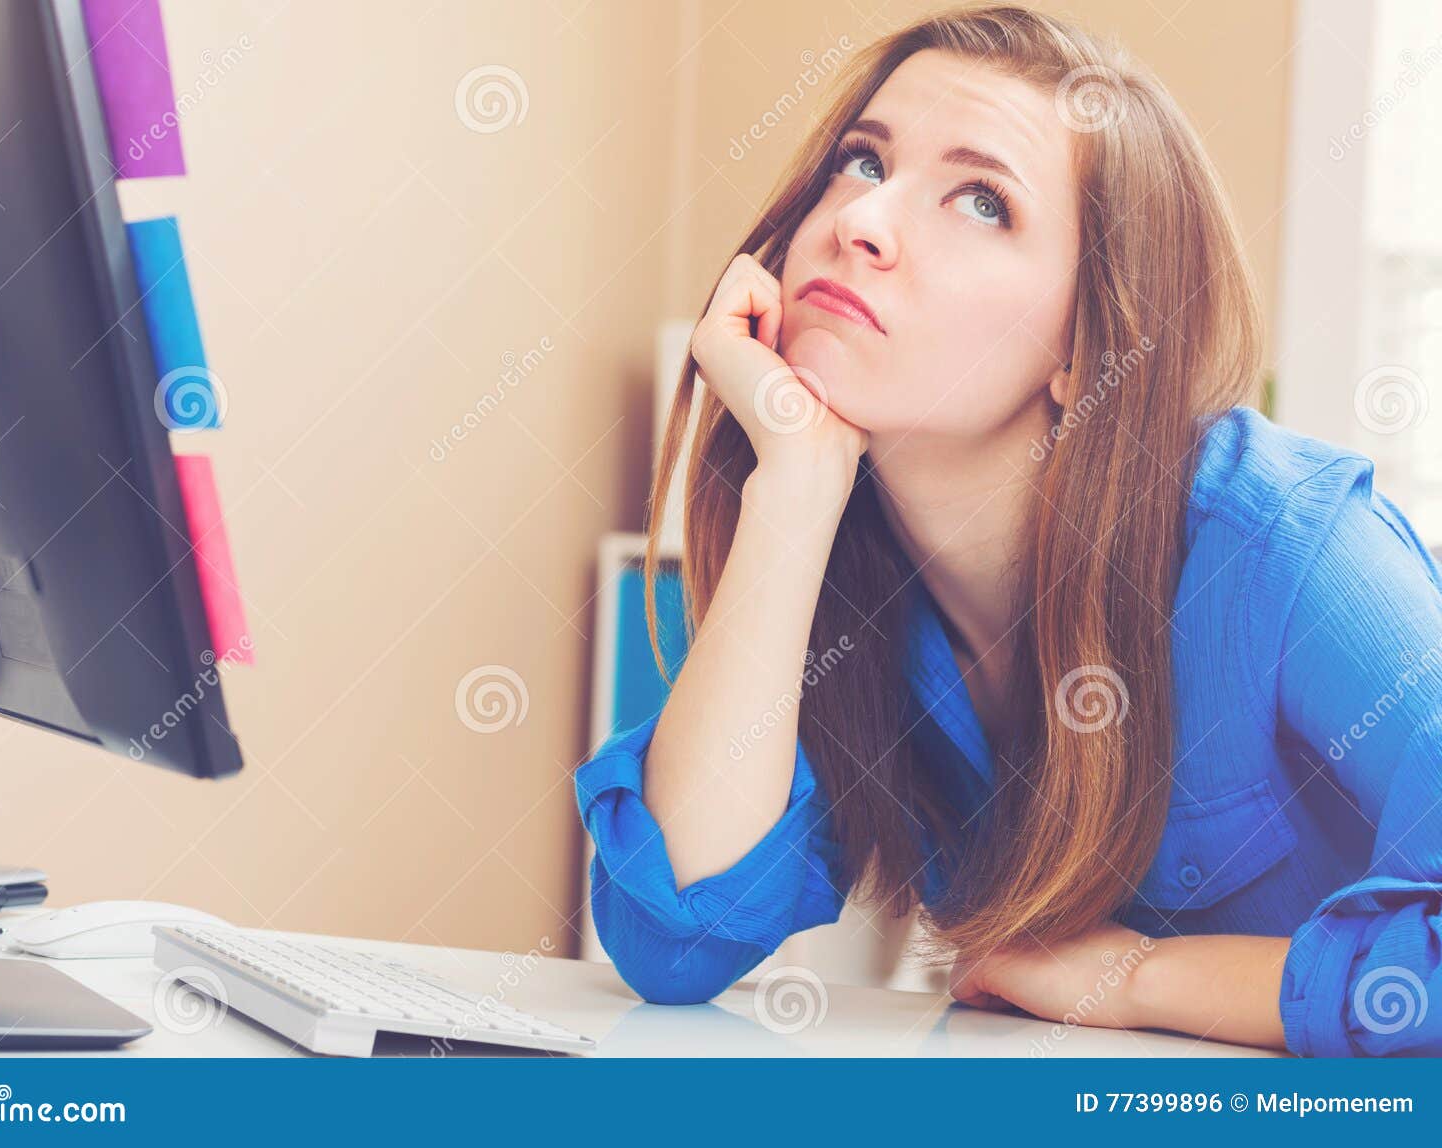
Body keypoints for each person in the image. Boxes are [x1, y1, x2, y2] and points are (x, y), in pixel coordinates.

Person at [575, 4, 1442, 1057]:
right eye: (861, 161)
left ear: (1084, 345)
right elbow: (678, 935)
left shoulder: (1292, 552)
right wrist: (794, 485)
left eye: (980, 200)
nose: (864, 220)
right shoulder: (856, 587)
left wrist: (1142, 977)